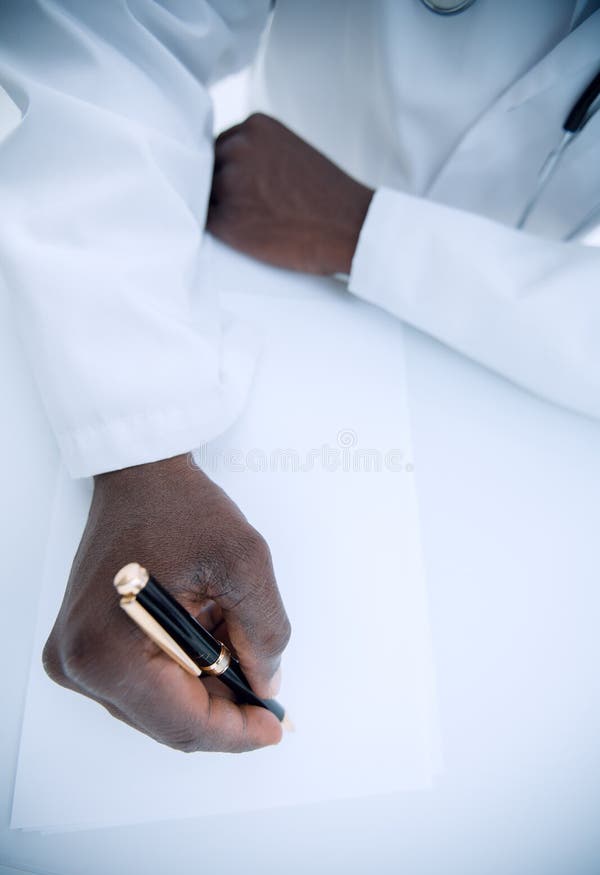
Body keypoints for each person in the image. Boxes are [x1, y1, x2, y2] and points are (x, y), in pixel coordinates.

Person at [0, 0, 598, 753]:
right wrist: (140, 441)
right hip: (251, 225)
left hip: (502, 373)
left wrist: (370, 230)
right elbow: (108, 26)